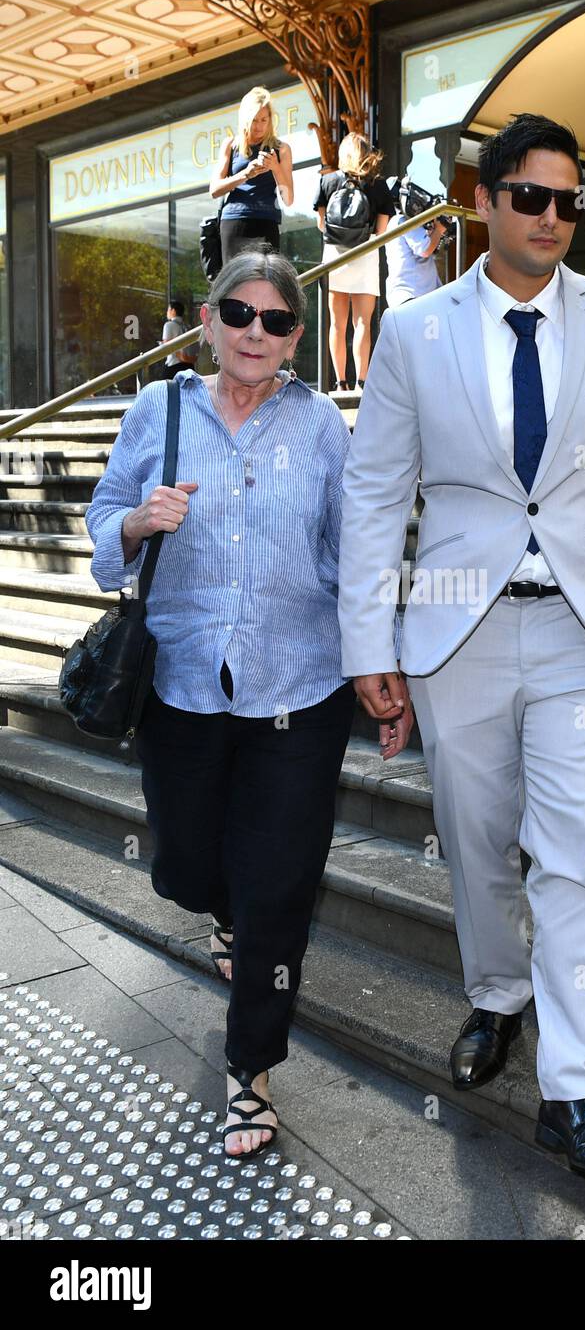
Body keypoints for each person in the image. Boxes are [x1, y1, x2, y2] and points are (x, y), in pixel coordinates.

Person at [338, 113, 585, 1181]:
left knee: (577, 856)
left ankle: (576, 1091)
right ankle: (497, 995)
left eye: (568, 201)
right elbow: (375, 494)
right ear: (484, 201)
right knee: (477, 838)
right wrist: (369, 639)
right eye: (529, 197)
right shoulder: (414, 332)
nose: (550, 217)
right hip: (460, 631)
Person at [87, 245, 401, 1160]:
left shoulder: (322, 427)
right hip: (182, 689)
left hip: (300, 691)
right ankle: (217, 906)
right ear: (208, 322)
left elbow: (358, 553)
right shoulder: (158, 409)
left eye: (276, 320)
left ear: (298, 337)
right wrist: (136, 522)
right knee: (185, 868)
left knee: (279, 890)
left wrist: (382, 663)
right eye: (238, 314)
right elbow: (103, 521)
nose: (254, 333)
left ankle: (251, 1073)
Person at [314, 132, 394, 392]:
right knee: (362, 323)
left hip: (335, 255)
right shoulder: (378, 185)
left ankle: (340, 383)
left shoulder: (328, 181)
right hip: (365, 253)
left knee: (337, 324)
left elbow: (321, 224)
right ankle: (362, 382)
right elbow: (381, 231)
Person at [210, 87, 294, 262]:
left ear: (271, 119)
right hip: (234, 221)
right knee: (234, 277)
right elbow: (214, 190)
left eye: (264, 120)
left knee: (265, 276)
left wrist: (275, 167)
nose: (259, 126)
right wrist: (245, 174)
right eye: (254, 120)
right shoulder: (231, 145)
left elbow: (288, 199)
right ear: (245, 119)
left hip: (266, 221)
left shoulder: (281, 149)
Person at [384, 182, 448, 309]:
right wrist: (439, 229)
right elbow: (425, 249)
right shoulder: (402, 221)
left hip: (410, 295)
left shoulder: (395, 222)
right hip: (411, 294)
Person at [160, 300, 200, 379]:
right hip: (189, 367)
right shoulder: (188, 327)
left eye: (168, 310)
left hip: (174, 366)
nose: (167, 312)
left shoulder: (169, 325)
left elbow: (166, 345)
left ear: (173, 311)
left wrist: (162, 344)